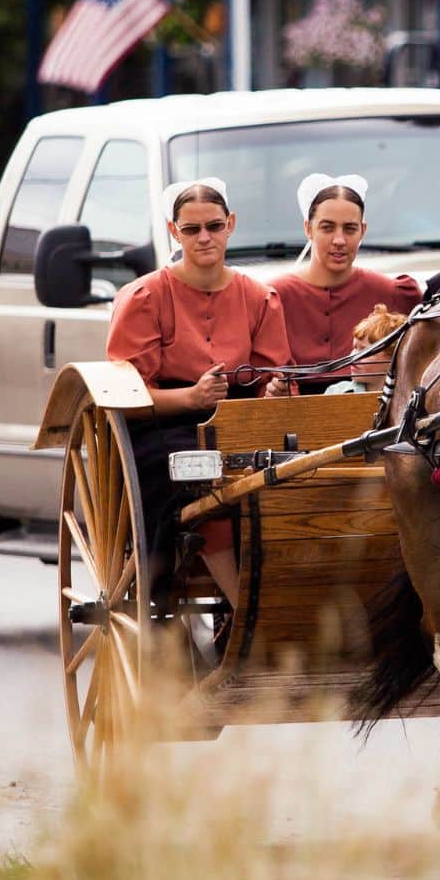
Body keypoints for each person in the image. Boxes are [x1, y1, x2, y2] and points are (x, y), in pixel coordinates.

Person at [105, 177, 292, 658]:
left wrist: (273, 389)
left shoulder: (259, 297)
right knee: (200, 481)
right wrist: (189, 398)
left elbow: (275, 373)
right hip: (162, 422)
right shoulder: (146, 297)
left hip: (239, 419)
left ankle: (285, 606)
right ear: (174, 232)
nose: (204, 238)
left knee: (291, 469)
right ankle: (252, 619)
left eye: (213, 226)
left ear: (230, 226)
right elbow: (126, 391)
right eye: (192, 230)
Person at [269, 173, 422, 393]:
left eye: (349, 229)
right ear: (308, 228)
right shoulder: (275, 296)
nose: (339, 240)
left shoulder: (394, 294)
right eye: (327, 228)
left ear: (363, 230)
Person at [323, 303, 407, 395]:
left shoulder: (409, 397)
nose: (353, 357)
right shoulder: (335, 392)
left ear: (394, 356)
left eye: (364, 351)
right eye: (354, 348)